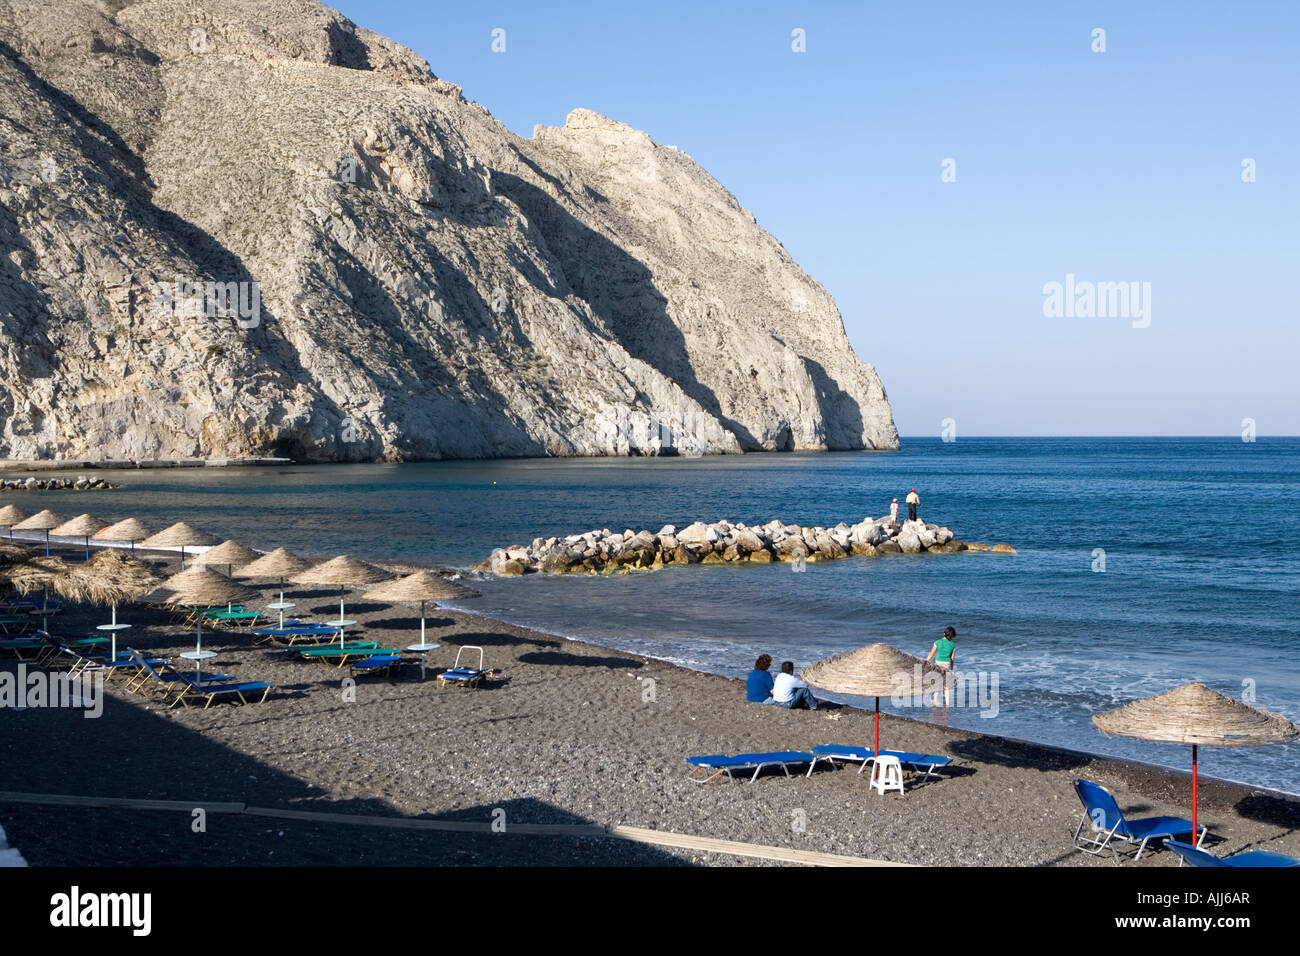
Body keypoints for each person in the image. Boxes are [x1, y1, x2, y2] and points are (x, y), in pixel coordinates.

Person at [924, 626, 957, 706]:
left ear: (944, 633)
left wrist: (924, 662)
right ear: (952, 636)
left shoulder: (937, 642)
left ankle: (935, 702)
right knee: (946, 686)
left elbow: (931, 655)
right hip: (947, 664)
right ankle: (947, 705)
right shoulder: (953, 645)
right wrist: (951, 670)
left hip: (938, 663)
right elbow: (952, 659)